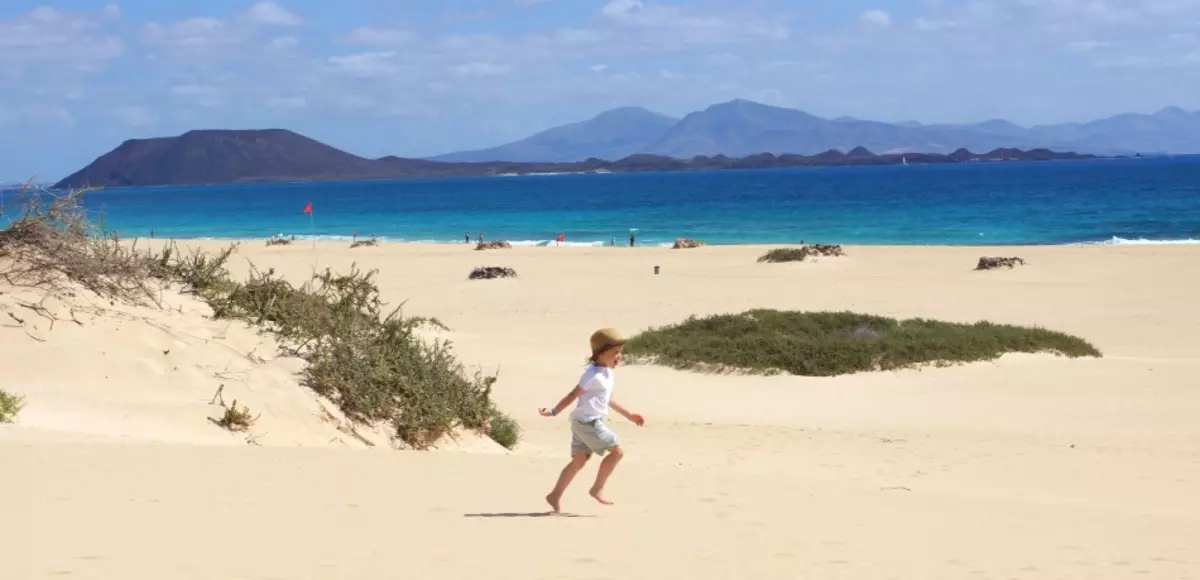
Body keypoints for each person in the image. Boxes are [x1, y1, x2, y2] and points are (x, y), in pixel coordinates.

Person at [539, 328, 645, 513]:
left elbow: (608, 400)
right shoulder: (593, 374)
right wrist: (554, 411)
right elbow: (574, 394)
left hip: (581, 423)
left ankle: (554, 495)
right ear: (600, 354)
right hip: (589, 423)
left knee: (578, 462)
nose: (619, 356)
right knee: (617, 452)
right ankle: (597, 488)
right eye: (615, 353)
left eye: (620, 352)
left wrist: (629, 415)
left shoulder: (607, 373)